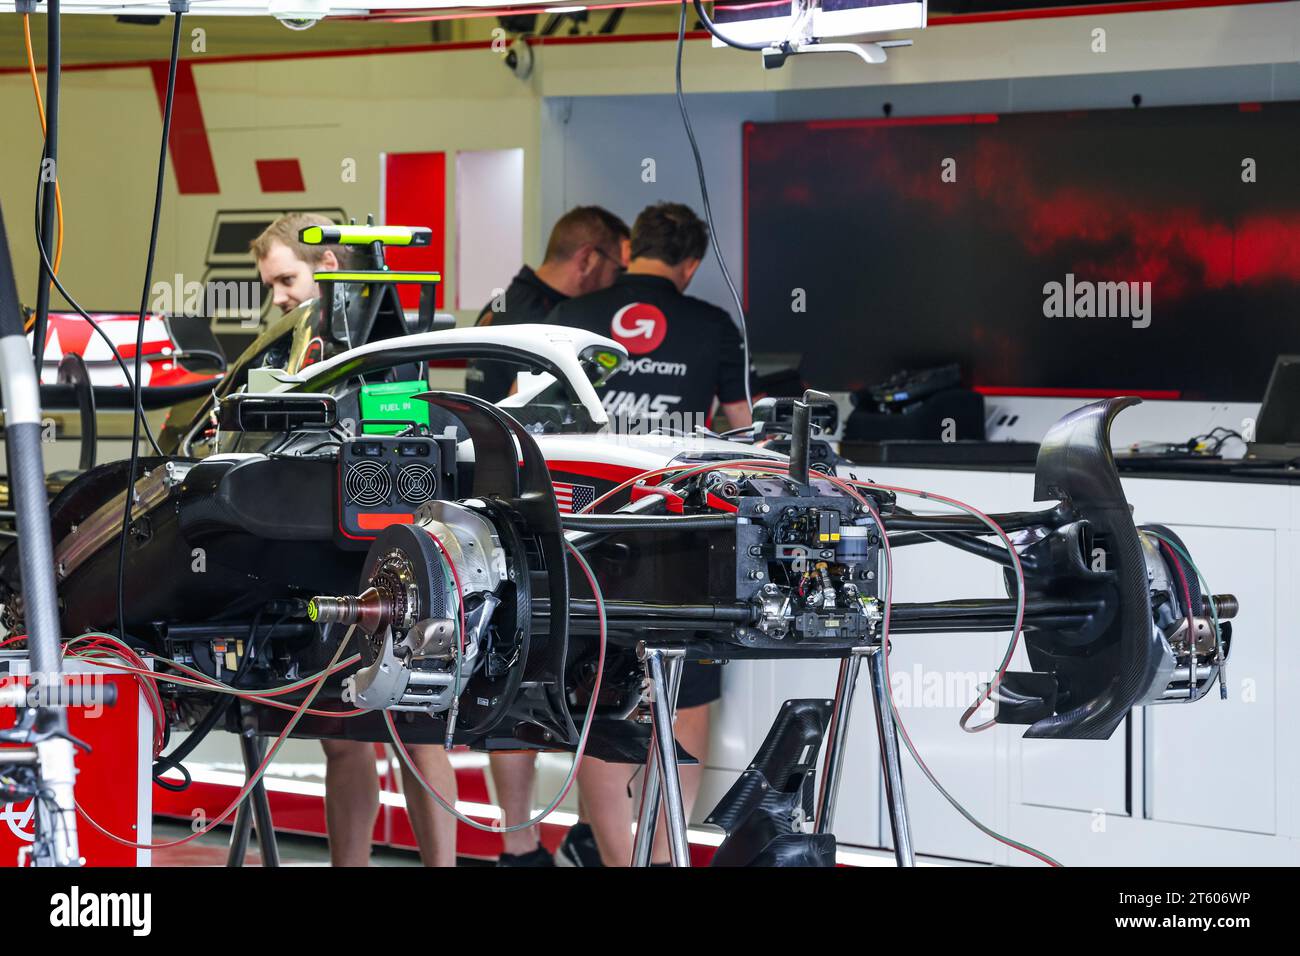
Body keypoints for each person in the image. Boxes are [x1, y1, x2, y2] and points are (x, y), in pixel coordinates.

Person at [544, 201, 752, 865]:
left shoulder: (571, 317)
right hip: (683, 540)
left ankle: (614, 859)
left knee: (601, 708)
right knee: (684, 699)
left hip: (587, 536)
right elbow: (745, 437)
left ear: (631, 250)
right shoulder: (714, 327)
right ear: (689, 266)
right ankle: (666, 857)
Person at [250, 213, 460, 867]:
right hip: (319, 560)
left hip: (395, 561)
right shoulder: (289, 342)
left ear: (332, 269)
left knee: (417, 737)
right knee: (342, 738)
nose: (279, 297)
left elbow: (402, 447)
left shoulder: (388, 344)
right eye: (272, 284)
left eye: (287, 279)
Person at [471, 206, 629, 868]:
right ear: (589, 258)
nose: (619, 286)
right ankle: (530, 844)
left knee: (525, 671)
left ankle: (525, 843)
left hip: (523, 522)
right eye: (616, 268)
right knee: (522, 674)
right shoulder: (543, 324)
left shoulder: (496, 307)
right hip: (541, 522)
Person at [466, 205, 630, 403]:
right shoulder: (549, 320)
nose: (618, 282)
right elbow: (524, 407)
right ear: (588, 259)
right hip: (509, 433)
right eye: (617, 271)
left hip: (480, 430)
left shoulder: (504, 303)